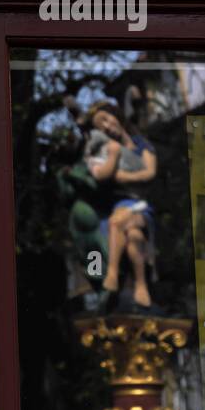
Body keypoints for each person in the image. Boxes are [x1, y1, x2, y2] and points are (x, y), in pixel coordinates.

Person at [86, 102, 158, 308]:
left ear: (116, 116)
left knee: (117, 222)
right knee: (134, 234)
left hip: (141, 205)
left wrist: (123, 176)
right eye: (101, 127)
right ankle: (140, 286)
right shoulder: (107, 151)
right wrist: (114, 157)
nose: (107, 126)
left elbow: (149, 173)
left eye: (107, 119)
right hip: (121, 203)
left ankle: (112, 274)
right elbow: (105, 175)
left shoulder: (141, 144)